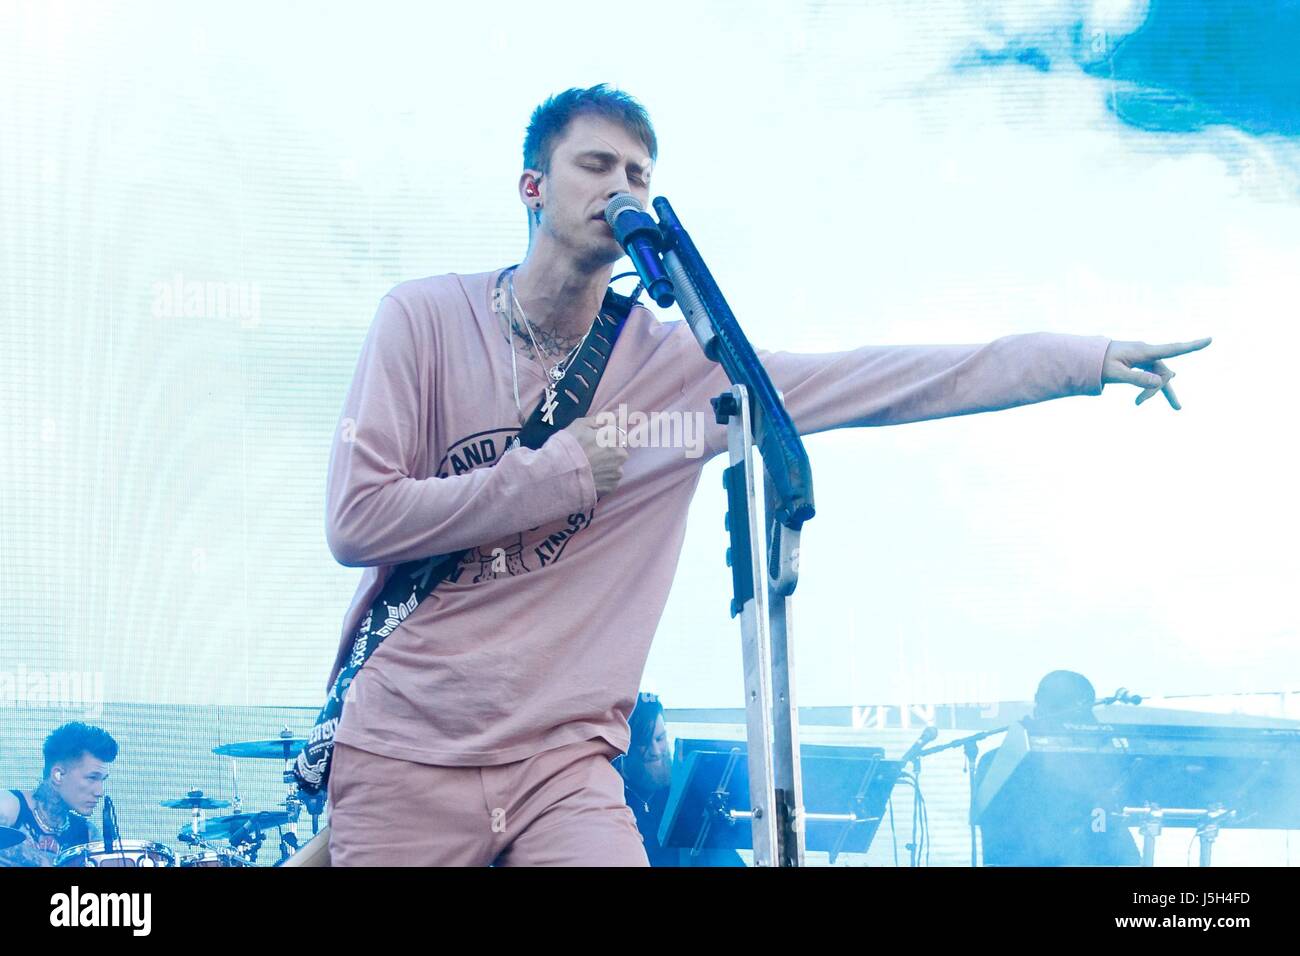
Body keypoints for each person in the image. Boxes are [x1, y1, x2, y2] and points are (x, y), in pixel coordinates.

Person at [321, 83, 1212, 866]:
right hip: (409, 749)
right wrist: (553, 475)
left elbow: (890, 380)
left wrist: (1086, 360)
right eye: (596, 165)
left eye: (639, 174)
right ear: (533, 187)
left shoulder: (687, 367)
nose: (622, 187)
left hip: (565, 764)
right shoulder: (424, 321)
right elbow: (357, 518)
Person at [975, 670, 1142, 866]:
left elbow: (1108, 829)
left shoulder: (1099, 761)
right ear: (1040, 705)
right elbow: (1003, 834)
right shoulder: (1001, 760)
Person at [617, 693, 745, 867]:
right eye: (644, 742)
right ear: (625, 745)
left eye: (660, 739)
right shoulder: (611, 790)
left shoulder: (684, 783)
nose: (655, 750)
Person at [0, 722, 117, 867]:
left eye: (102, 780)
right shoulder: (9, 807)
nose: (100, 792)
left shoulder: (88, 834)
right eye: (92, 778)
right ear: (58, 775)